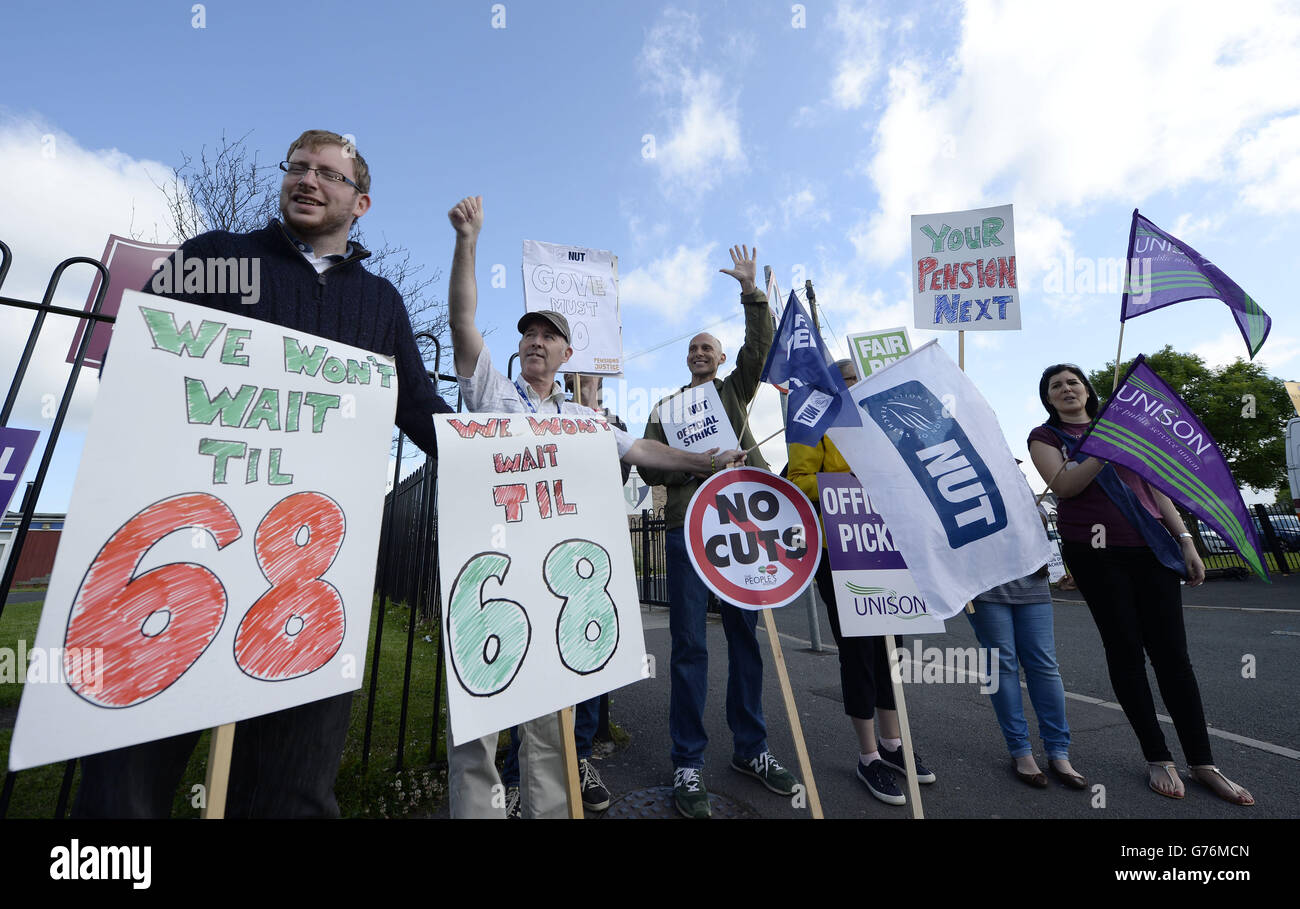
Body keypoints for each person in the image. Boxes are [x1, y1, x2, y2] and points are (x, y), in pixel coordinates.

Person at [74, 129, 454, 818]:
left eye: (328, 175)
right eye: (298, 168)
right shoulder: (220, 257)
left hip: (311, 572)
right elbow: (140, 358)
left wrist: (509, 454)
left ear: (360, 201)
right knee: (125, 782)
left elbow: (424, 410)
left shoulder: (382, 302)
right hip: (188, 555)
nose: (307, 180)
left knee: (292, 786)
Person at [445, 195, 744, 818]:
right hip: (491, 572)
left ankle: (548, 798)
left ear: (565, 355)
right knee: (483, 708)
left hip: (554, 575)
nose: (533, 341)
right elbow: (463, 321)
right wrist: (468, 241)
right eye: (528, 332)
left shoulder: (583, 419)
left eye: (547, 335)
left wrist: (704, 463)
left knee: (552, 703)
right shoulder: (492, 391)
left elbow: (643, 450)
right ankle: (485, 804)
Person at [1028, 364, 1252, 805]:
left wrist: (1184, 539)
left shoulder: (1128, 426)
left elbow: (1156, 487)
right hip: (1095, 555)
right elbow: (1065, 485)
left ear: (1088, 390)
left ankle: (1204, 762)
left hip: (1150, 546)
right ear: (1048, 399)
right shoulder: (1045, 437)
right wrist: (1105, 447)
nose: (1066, 389)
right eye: (1056, 386)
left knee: (1173, 656)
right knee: (1125, 650)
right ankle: (1157, 757)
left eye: (1073, 381)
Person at [639, 246, 800, 819]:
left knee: (745, 642)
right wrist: (695, 462)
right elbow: (648, 466)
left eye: (708, 346)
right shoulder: (666, 407)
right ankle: (688, 761)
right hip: (688, 530)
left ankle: (751, 750)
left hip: (741, 534)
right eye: (693, 348)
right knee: (688, 646)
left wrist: (752, 293)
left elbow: (761, 351)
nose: (699, 352)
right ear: (686, 361)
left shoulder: (732, 394)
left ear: (721, 357)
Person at [787, 358, 935, 806]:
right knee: (859, 653)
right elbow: (799, 481)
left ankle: (893, 745)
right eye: (846, 380)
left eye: (859, 378)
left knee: (892, 649)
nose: (854, 386)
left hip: (891, 552)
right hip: (841, 552)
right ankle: (867, 754)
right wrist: (850, 480)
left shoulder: (888, 426)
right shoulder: (814, 428)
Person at [968, 540, 1087, 790]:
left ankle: (1059, 752)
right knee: (1003, 665)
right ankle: (1020, 751)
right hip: (983, 581)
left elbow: (1041, 524)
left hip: (1031, 578)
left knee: (1044, 666)